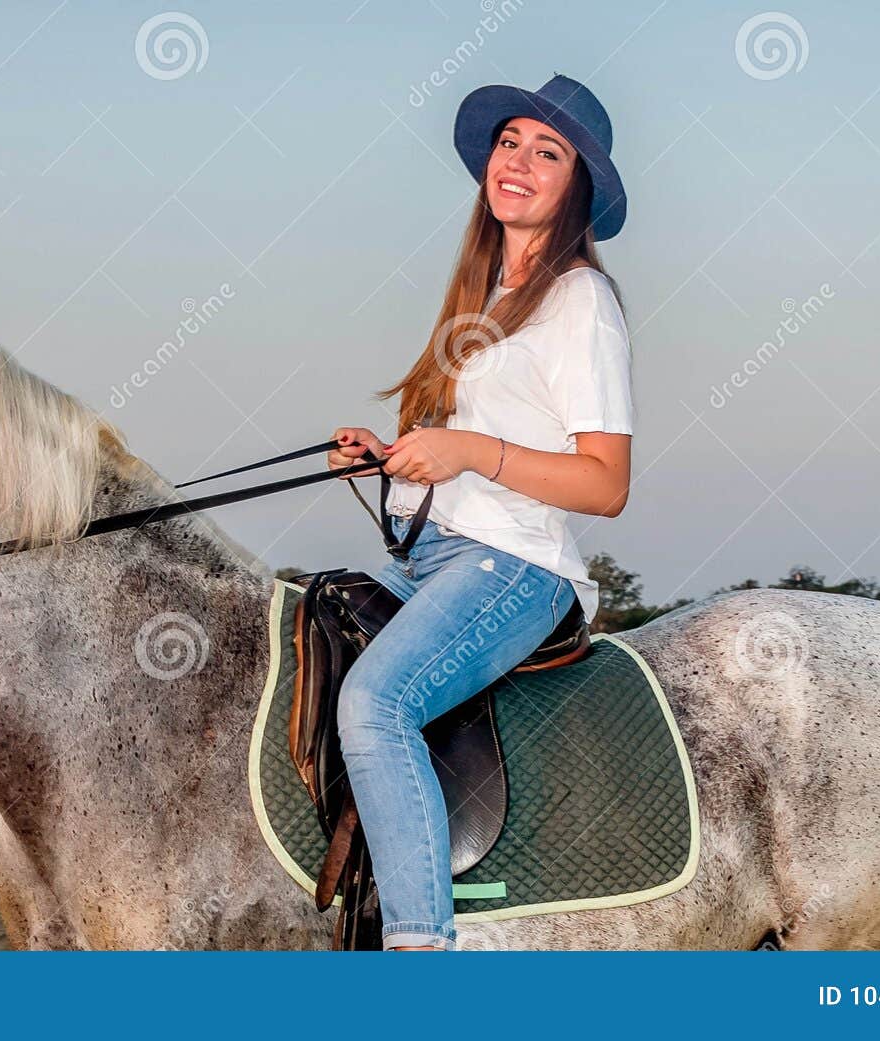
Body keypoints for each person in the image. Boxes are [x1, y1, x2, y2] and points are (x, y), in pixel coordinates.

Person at [326, 75, 633, 951]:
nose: (521, 163)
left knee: (376, 704)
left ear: (576, 186)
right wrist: (392, 453)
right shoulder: (485, 296)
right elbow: (466, 445)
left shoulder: (582, 302)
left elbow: (606, 483)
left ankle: (422, 952)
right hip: (428, 553)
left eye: (549, 152)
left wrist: (469, 453)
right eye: (511, 143)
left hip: (516, 566)